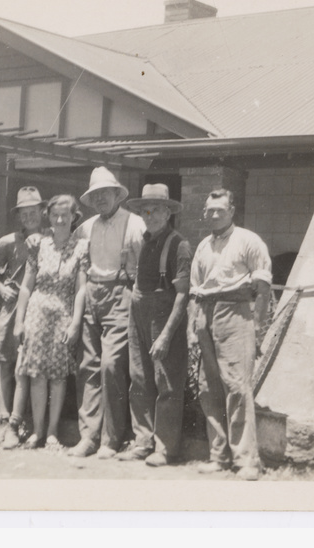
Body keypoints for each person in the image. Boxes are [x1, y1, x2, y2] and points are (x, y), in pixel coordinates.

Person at [189, 188, 272, 480]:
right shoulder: (203, 247)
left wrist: (258, 329)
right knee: (208, 388)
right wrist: (193, 326)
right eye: (209, 210)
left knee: (237, 387)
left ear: (231, 211)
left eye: (219, 210)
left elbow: (262, 289)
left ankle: (246, 460)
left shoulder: (249, 241)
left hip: (236, 314)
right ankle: (218, 456)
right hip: (205, 314)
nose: (213, 215)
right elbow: (195, 291)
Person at [68, 167, 146, 458]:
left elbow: (148, 262)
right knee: (87, 365)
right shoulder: (86, 228)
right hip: (90, 293)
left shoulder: (135, 224)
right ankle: (88, 436)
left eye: (105, 193)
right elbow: (70, 253)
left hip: (120, 293)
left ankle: (110, 439)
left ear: (117, 194)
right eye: (95, 195)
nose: (100, 199)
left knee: (111, 365)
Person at [121, 184, 194, 466]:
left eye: (156, 211)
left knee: (167, 382)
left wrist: (165, 335)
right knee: (139, 379)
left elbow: (183, 295)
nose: (150, 216)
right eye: (145, 211)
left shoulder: (179, 245)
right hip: (138, 312)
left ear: (168, 213)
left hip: (164, 317)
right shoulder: (144, 241)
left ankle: (164, 448)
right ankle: (142, 442)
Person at [11, 194, 87, 450]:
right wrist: (19, 320)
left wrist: (76, 322)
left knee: (58, 376)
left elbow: (80, 289)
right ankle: (37, 431)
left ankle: (53, 432)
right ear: (49, 217)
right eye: (55, 214)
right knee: (36, 375)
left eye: (65, 214)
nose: (60, 219)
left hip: (63, 316)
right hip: (36, 314)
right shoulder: (39, 245)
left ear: (74, 217)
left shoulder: (81, 248)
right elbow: (26, 286)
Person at [0, 186, 46, 449]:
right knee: (7, 366)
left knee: (31, 369)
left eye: (34, 211)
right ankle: (4, 422)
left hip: (38, 311)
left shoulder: (51, 238)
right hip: (11, 311)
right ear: (19, 216)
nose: (29, 217)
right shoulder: (9, 241)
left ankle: (23, 425)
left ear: (42, 212)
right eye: (24, 213)